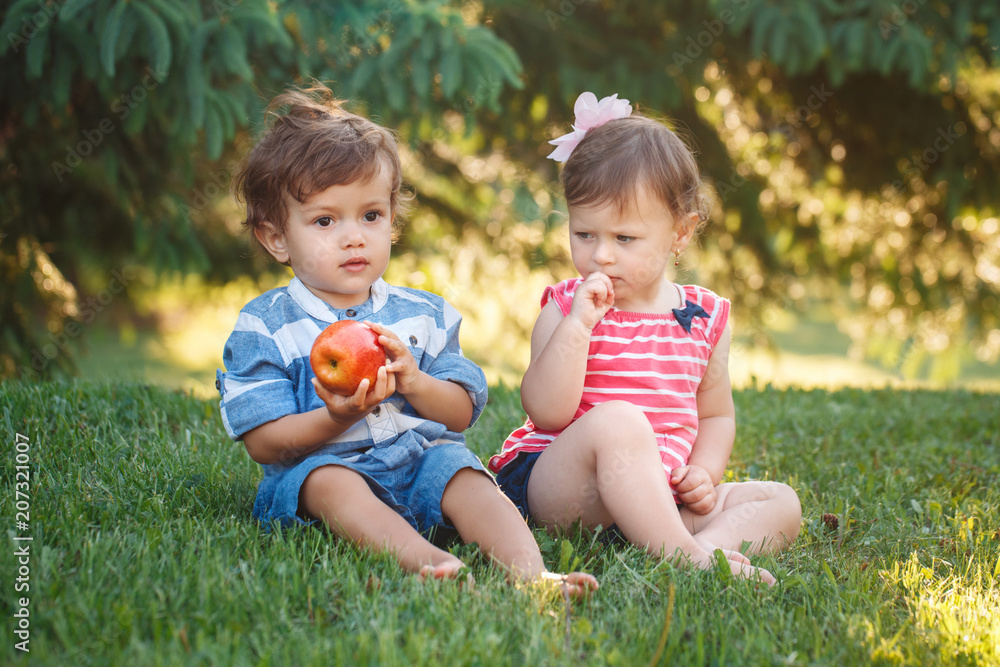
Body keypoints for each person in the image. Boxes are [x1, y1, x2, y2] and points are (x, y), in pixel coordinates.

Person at [216, 85, 596, 595]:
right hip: (327, 469)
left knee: (463, 470)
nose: (354, 236)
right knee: (327, 481)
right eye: (325, 220)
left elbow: (460, 413)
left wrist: (415, 382)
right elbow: (263, 441)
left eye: (371, 215)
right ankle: (429, 562)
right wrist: (337, 418)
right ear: (276, 237)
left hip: (419, 462)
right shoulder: (265, 325)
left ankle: (531, 573)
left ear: (393, 220)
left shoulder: (424, 314)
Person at [488, 92, 801, 586]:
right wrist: (578, 329)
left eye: (624, 239)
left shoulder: (703, 317)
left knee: (780, 501)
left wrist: (703, 471)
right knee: (620, 420)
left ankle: (701, 550)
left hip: (662, 497)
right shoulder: (566, 305)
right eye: (584, 235)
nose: (601, 257)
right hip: (567, 490)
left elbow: (715, 414)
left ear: (680, 232)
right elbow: (546, 411)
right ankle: (686, 558)